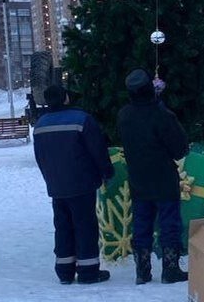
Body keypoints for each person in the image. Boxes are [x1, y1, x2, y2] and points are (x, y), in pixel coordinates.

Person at [33, 84, 114, 284]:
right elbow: (97, 149)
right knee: (85, 226)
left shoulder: (40, 124)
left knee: (62, 227)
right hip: (82, 183)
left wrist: (50, 178)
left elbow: (40, 157)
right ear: (65, 98)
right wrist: (106, 172)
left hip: (56, 185)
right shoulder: (82, 119)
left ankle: (65, 271)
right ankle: (88, 272)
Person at [117, 69, 189, 285]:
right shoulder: (161, 115)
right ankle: (170, 269)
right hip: (164, 178)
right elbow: (180, 148)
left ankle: (143, 271)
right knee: (169, 223)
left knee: (141, 223)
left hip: (138, 178)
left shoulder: (124, 115)